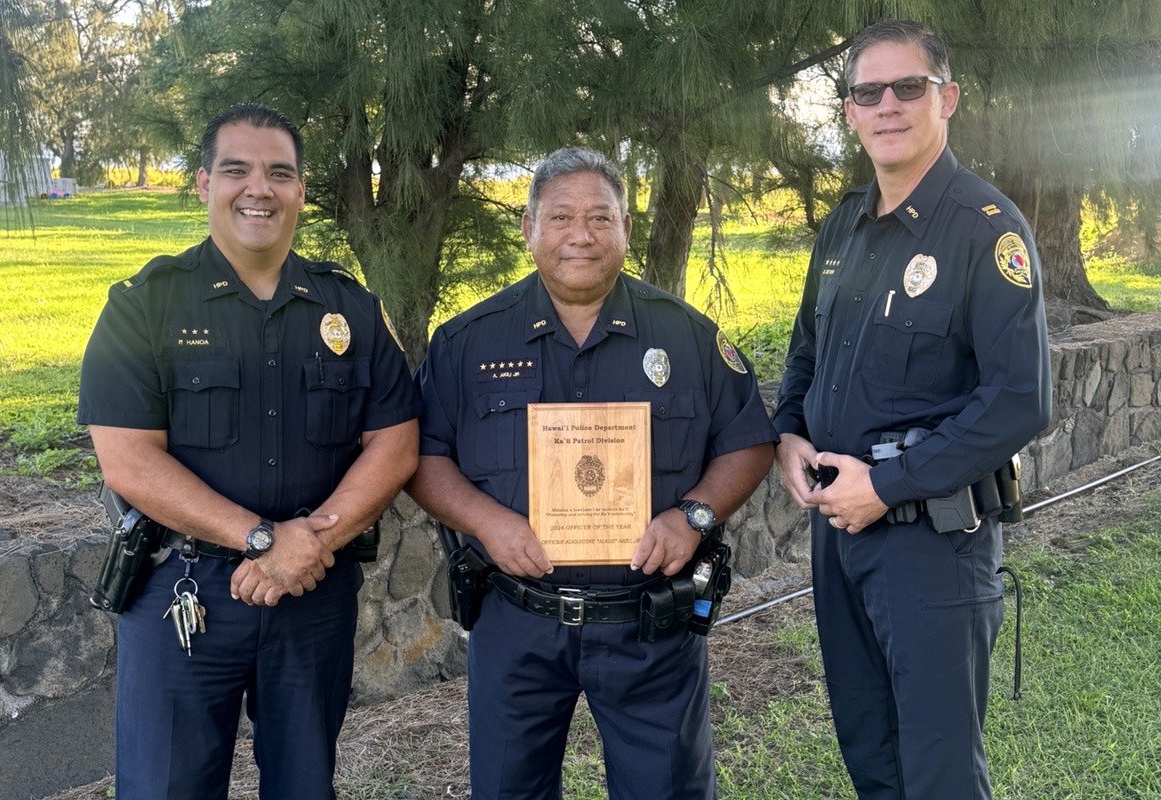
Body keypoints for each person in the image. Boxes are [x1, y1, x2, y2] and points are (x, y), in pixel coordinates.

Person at [407, 146, 777, 800]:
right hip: (516, 622)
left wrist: (693, 515)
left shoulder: (686, 337)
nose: (581, 235)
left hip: (648, 627)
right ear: (529, 229)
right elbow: (425, 459)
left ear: (626, 230)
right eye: (560, 218)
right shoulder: (467, 343)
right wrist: (488, 523)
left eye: (601, 219)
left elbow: (748, 442)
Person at [77, 103, 421, 800]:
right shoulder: (146, 306)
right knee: (165, 787)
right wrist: (262, 538)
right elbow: (129, 460)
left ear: (300, 190)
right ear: (204, 183)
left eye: (279, 173)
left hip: (312, 593)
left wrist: (305, 545)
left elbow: (397, 442)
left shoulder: (349, 309)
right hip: (183, 592)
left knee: (304, 786)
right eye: (236, 170)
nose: (258, 188)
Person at [771, 19, 1052, 800]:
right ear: (851, 111)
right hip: (838, 539)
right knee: (871, 756)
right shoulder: (842, 225)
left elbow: (1021, 398)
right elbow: (804, 353)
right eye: (868, 91)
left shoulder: (986, 230)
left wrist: (889, 485)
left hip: (932, 547)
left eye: (908, 87)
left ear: (947, 98)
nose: (887, 105)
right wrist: (788, 433)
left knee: (937, 775)